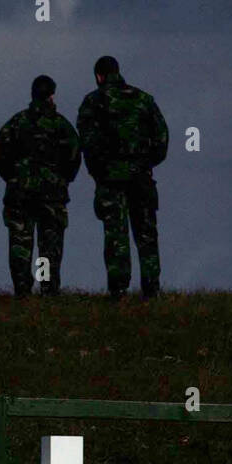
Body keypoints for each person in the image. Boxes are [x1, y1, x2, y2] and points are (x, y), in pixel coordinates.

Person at [77, 56, 169, 299]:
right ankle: (151, 288)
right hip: (141, 178)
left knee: (116, 235)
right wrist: (145, 163)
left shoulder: (92, 102)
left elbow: (86, 143)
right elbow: (162, 140)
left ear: (99, 76)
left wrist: (99, 172)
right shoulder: (144, 100)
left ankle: (118, 290)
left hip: (110, 181)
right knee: (147, 234)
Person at [0, 74, 81, 297]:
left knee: (20, 243)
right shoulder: (62, 126)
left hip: (20, 193)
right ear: (52, 95)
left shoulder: (16, 123)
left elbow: (0, 154)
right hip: (51, 196)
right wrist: (61, 181)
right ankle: (47, 288)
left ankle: (22, 290)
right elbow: (74, 158)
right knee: (49, 246)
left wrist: (13, 178)